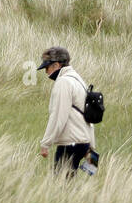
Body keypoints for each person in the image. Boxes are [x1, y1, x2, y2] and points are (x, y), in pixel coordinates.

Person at [35, 46, 96, 179]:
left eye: (47, 67)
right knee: (68, 182)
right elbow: (89, 117)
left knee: (60, 184)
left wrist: (45, 144)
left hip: (70, 142)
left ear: (56, 65)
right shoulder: (78, 80)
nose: (46, 72)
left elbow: (58, 116)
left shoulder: (63, 82)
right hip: (83, 142)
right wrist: (91, 146)